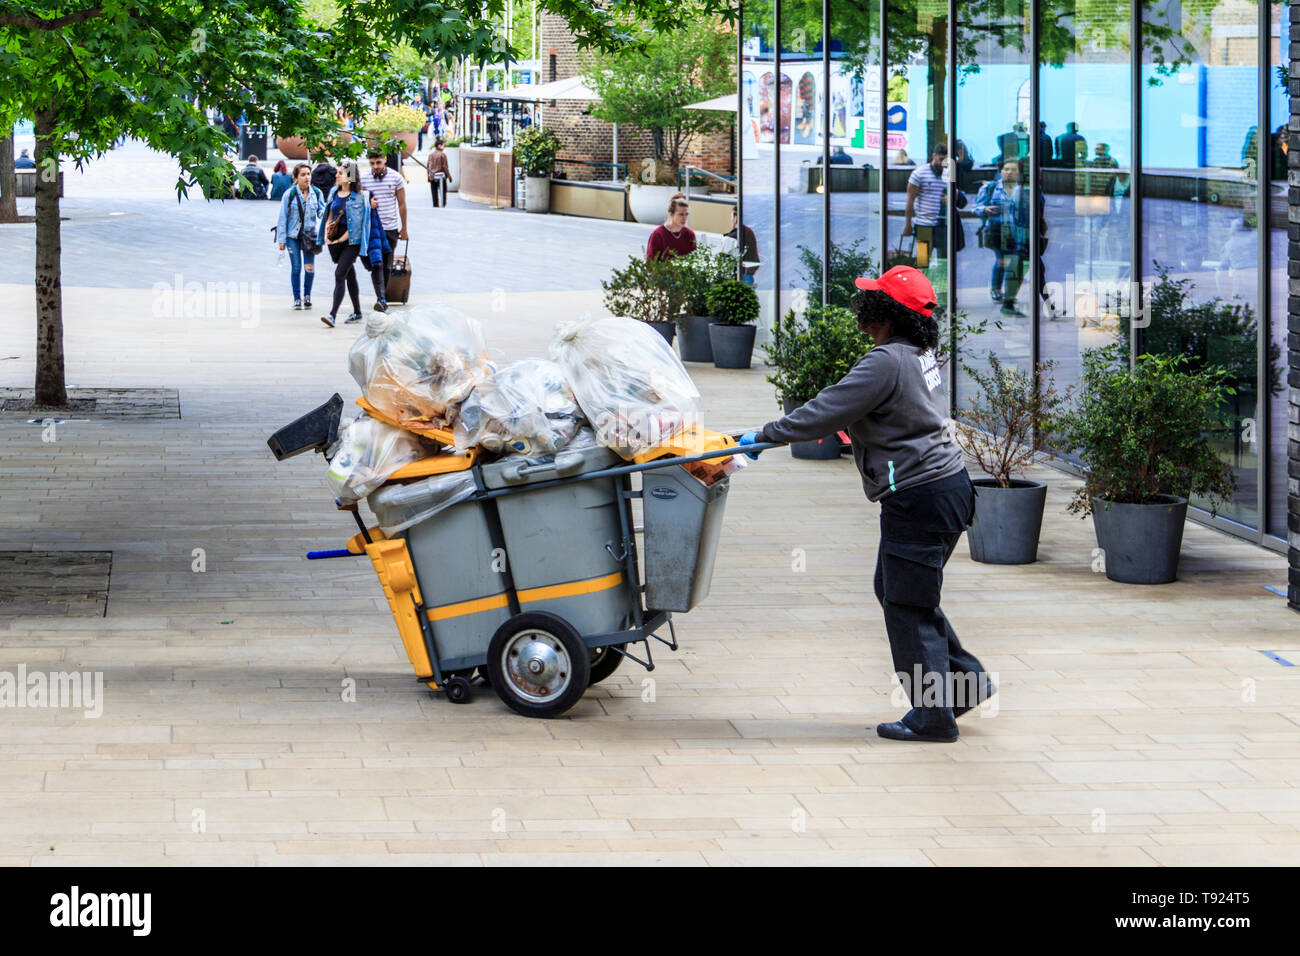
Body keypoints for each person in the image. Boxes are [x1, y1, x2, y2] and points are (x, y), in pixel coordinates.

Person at [737, 266, 993, 743]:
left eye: (872, 302)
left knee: (907, 603)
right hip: (949, 488)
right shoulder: (919, 356)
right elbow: (895, 412)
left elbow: (827, 407)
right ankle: (966, 684)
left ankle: (933, 716)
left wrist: (763, 435)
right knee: (902, 591)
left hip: (918, 496)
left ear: (885, 313)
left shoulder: (885, 362)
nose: (864, 308)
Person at [316, 160, 370, 328]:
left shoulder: (359, 198)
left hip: (351, 241)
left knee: (340, 274)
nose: (337, 175)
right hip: (334, 241)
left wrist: (339, 239)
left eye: (341, 173)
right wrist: (326, 234)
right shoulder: (334, 192)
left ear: (350, 177)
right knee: (349, 275)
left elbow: (356, 227)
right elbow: (330, 214)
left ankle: (332, 314)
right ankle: (357, 311)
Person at [359, 149, 408, 311]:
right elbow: (355, 199)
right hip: (372, 228)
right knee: (376, 264)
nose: (376, 166)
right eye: (372, 163)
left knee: (387, 265)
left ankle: (383, 296)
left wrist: (404, 228)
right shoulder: (364, 178)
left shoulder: (396, 177)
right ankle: (381, 298)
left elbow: (402, 204)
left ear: (385, 159)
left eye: (378, 162)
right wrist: (368, 202)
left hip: (390, 228)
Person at [276, 162, 325, 310]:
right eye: (303, 175)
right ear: (296, 177)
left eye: (308, 174)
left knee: (309, 268)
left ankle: (307, 295)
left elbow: (322, 211)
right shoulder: (289, 194)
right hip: (293, 236)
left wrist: (324, 213)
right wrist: (281, 240)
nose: (307, 177)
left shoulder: (317, 193)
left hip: (310, 236)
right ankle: (297, 298)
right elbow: (282, 217)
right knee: (296, 267)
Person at [902, 143, 948, 264]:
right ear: (934, 156)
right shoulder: (919, 173)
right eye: (941, 159)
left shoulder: (948, 173)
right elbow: (910, 200)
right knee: (922, 260)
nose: (943, 163)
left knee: (944, 260)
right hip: (923, 224)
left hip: (942, 224)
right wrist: (908, 224)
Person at [645, 192, 696, 261]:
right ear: (671, 214)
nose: (684, 218)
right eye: (681, 214)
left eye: (686, 214)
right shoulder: (658, 234)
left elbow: (694, 260)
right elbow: (650, 263)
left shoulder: (690, 234)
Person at [725, 207, 760, 284]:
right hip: (749, 275)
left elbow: (725, 261)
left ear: (735, 218)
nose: (731, 220)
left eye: (731, 217)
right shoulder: (749, 232)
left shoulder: (732, 237)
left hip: (739, 276)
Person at [426, 138, 450, 208]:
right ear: (439, 146)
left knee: (434, 193)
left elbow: (428, 166)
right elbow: (445, 166)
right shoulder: (443, 155)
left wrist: (428, 176)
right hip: (441, 176)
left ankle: (435, 206)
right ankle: (443, 205)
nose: (444, 147)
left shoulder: (430, 155)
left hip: (432, 176)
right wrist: (449, 176)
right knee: (443, 192)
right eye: (443, 145)